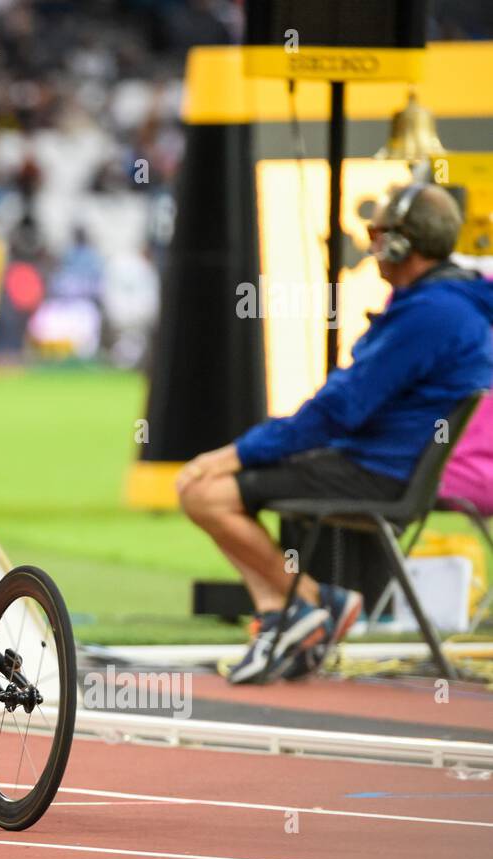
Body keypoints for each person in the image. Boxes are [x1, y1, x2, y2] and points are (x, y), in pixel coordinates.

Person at [177, 182, 493, 684]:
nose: (372, 248)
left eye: (379, 234)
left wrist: (236, 453)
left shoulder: (432, 312)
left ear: (402, 244)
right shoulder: (442, 304)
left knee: (203, 492)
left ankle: (306, 605)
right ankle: (289, 610)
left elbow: (339, 411)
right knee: (205, 488)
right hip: (381, 465)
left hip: (376, 472)